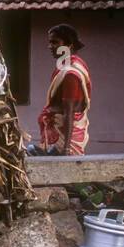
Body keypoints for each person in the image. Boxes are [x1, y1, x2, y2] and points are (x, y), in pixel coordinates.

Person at [35, 24, 91, 155]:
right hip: (61, 140)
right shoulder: (64, 69)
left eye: (55, 42)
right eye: (50, 42)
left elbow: (69, 112)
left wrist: (66, 149)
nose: (50, 46)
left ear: (69, 45)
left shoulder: (70, 74)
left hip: (65, 143)